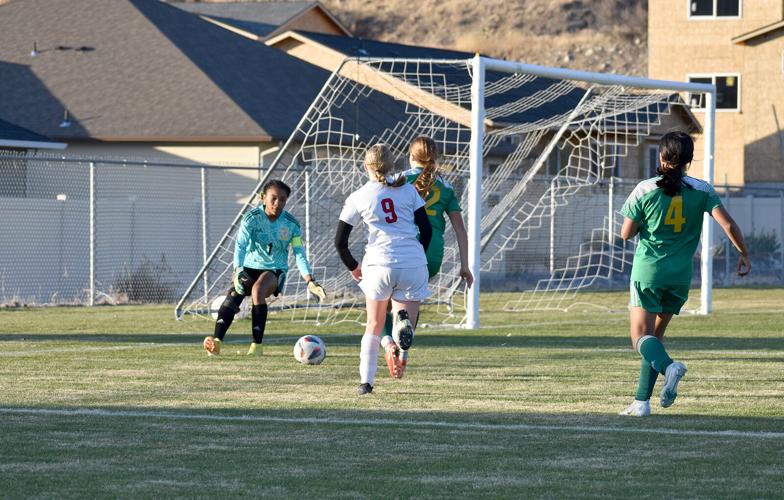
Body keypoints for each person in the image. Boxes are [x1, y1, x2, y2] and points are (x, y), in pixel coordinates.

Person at [618, 131, 751, 416]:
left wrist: (646, 221)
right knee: (655, 337)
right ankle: (641, 402)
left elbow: (626, 233)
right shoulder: (703, 190)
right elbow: (728, 225)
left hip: (649, 272)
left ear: (661, 157)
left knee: (640, 338)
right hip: (679, 276)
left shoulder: (645, 189)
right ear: (689, 161)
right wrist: (744, 253)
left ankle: (670, 367)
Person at [335, 143, 432, 395]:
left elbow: (340, 242)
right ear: (392, 165)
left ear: (365, 166)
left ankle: (366, 383)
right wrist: (417, 254)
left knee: (374, 324)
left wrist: (353, 266)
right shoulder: (408, 190)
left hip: (379, 264)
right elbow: (427, 229)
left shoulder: (360, 195)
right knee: (406, 321)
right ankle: (401, 341)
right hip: (412, 262)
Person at [380, 136, 474, 379]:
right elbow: (460, 230)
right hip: (431, 253)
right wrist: (465, 266)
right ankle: (404, 352)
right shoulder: (446, 188)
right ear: (436, 157)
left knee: (380, 302)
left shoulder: (398, 180)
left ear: (411, 156)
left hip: (402, 248)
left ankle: (388, 343)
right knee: (411, 299)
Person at [203, 179, 326, 357]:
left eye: (282, 199)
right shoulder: (251, 218)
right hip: (248, 267)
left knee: (258, 290)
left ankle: (256, 347)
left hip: (275, 269)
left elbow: (299, 253)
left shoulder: (292, 224)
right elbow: (240, 246)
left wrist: (309, 280)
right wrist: (237, 270)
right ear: (263, 197)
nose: (278, 203)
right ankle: (216, 342)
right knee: (234, 294)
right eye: (273, 198)